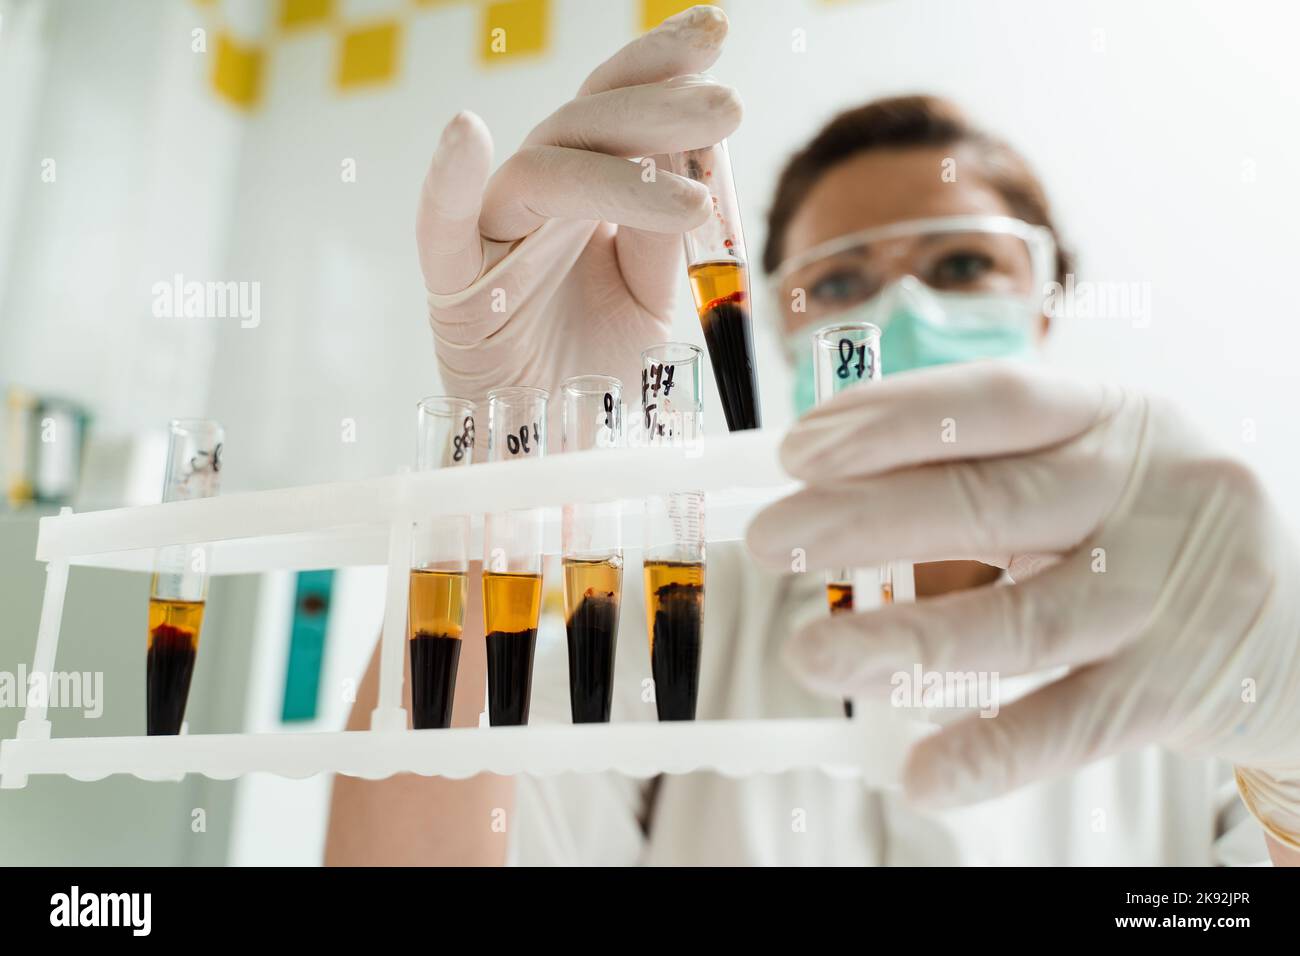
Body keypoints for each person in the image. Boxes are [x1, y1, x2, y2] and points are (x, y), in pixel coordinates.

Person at [325, 5, 1300, 865]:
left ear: (1044, 304)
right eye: (839, 282)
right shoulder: (682, 610)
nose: (905, 305)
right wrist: (496, 480)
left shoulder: (1185, 624)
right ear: (781, 333)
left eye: (962, 261)